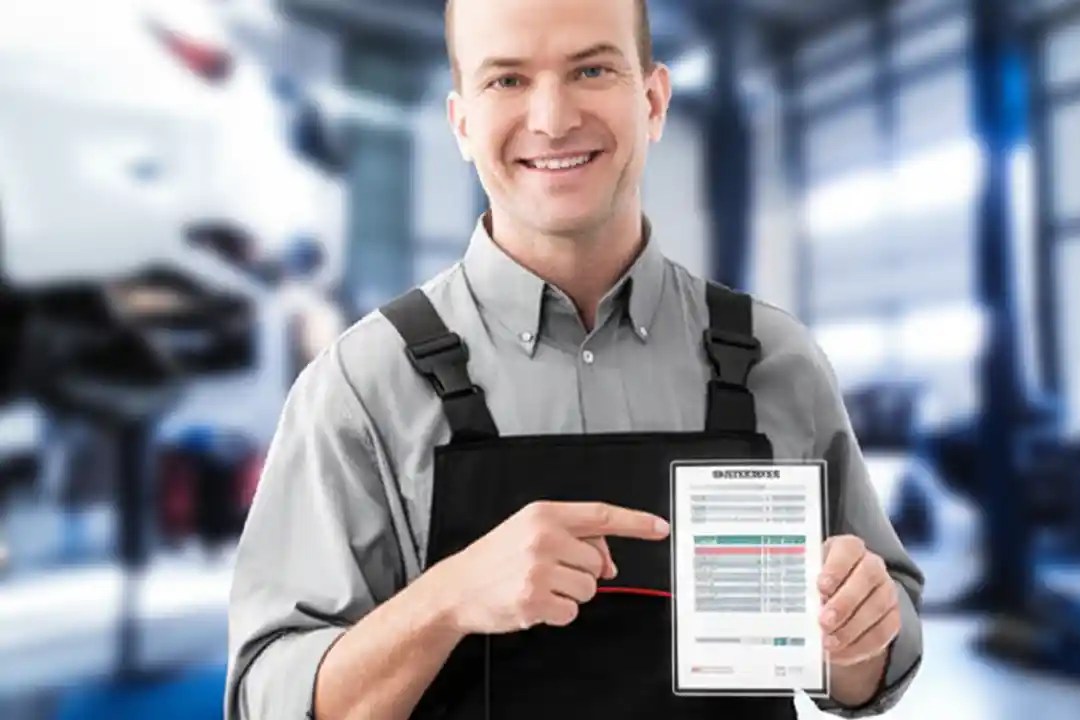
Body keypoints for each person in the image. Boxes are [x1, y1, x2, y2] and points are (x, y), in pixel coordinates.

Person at [225, 0, 924, 717]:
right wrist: (447, 600)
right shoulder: (363, 386)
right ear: (462, 122)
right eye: (506, 80)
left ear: (651, 101)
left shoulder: (779, 362)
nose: (553, 118)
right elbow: (268, 698)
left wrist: (857, 637)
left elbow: (870, 663)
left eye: (591, 68)